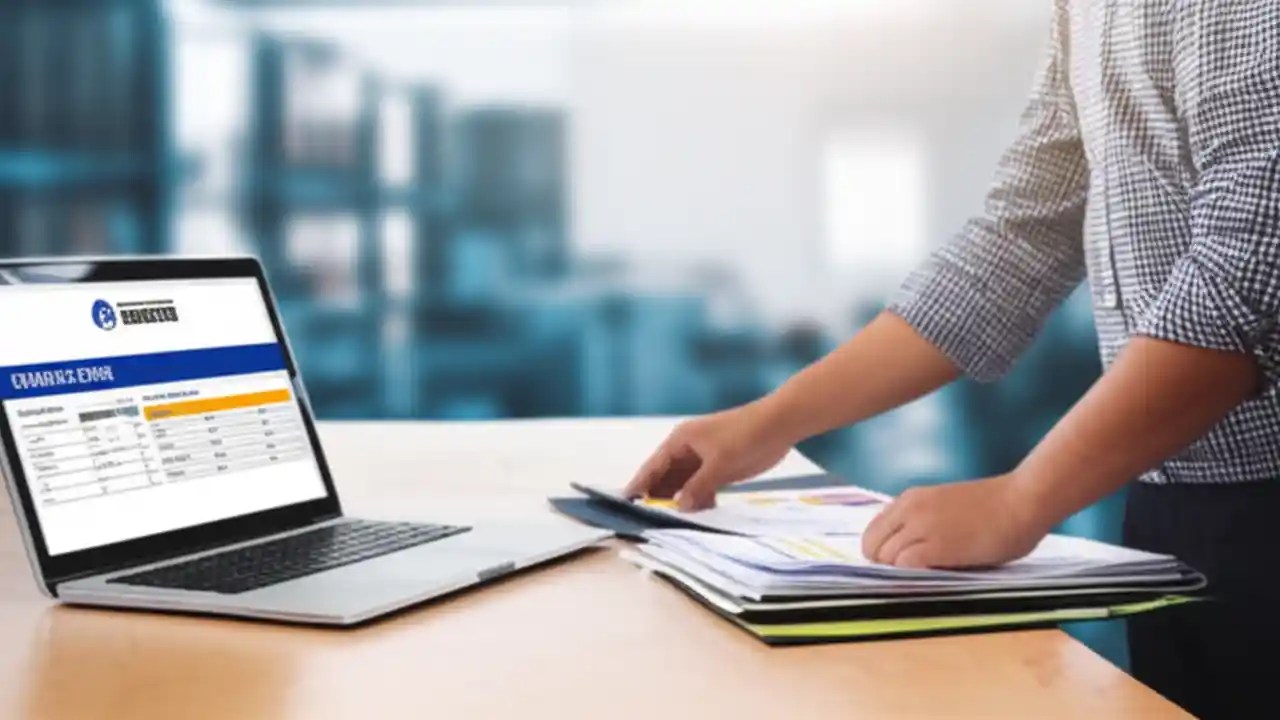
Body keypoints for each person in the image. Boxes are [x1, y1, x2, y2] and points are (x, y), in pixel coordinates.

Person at [625, 3, 1278, 718]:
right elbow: (1018, 240)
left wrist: (1024, 498)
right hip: (1166, 496)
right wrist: (770, 422)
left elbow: (1241, 276)